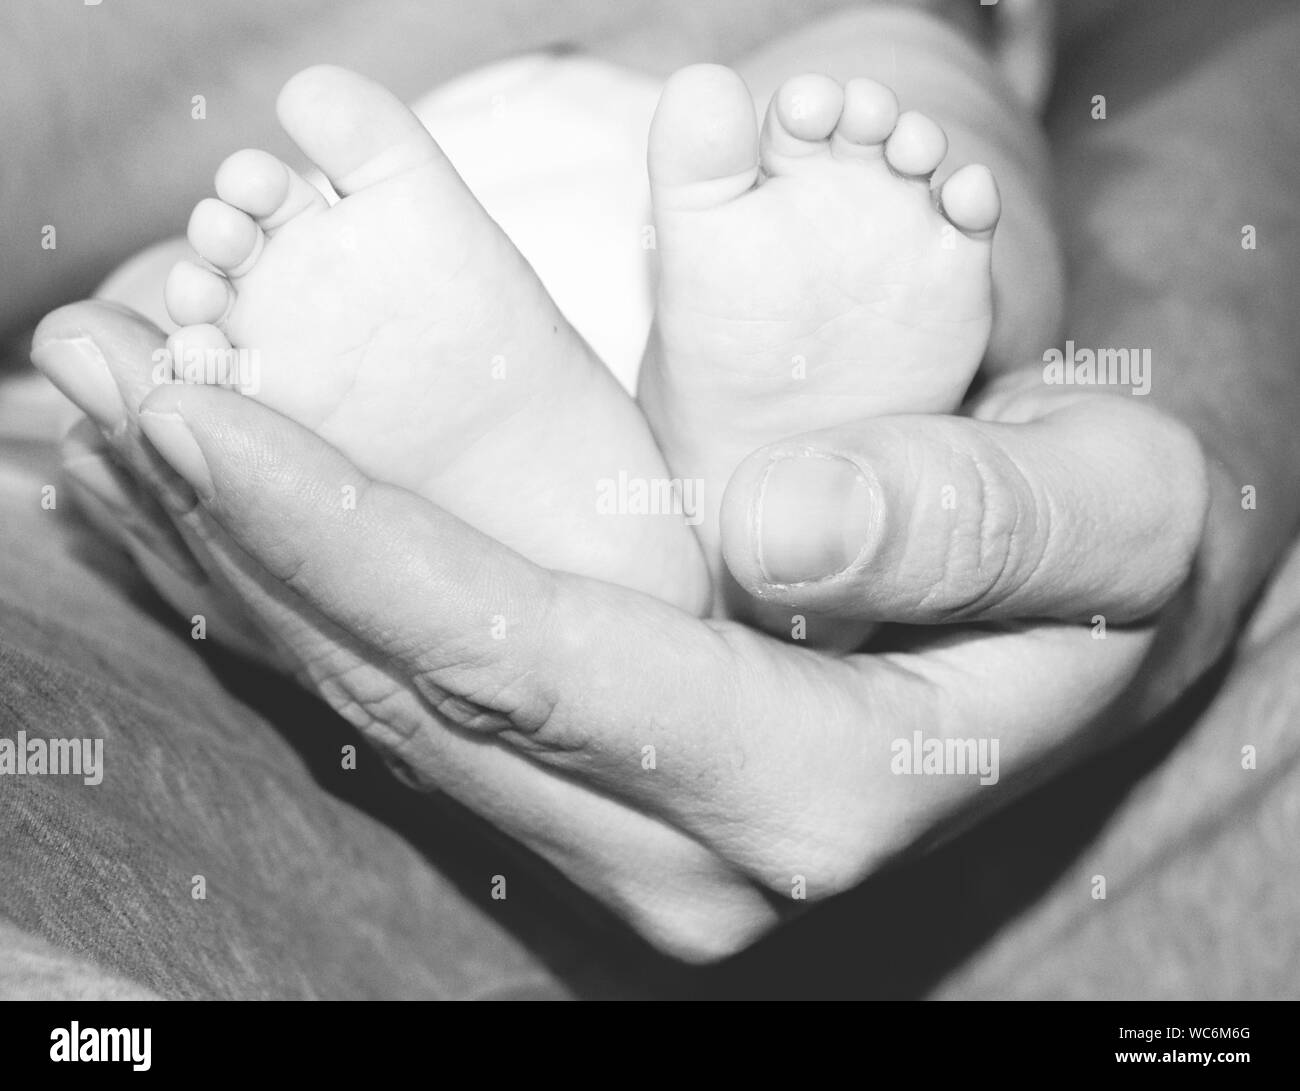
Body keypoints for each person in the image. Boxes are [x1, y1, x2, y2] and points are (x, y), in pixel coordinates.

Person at [7, 0, 1300, 991]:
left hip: (429, 202)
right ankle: (684, 490)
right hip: (657, 146)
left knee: (187, 322)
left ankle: (628, 497)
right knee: (903, 116)